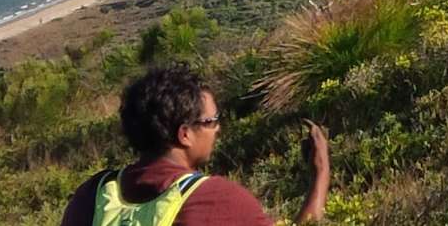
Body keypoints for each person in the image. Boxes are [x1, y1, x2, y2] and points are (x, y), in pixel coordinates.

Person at [61, 65, 330, 225]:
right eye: (211, 121)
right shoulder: (217, 201)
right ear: (185, 134)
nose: (218, 129)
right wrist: (321, 174)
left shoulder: (91, 197)